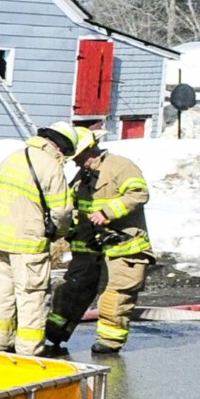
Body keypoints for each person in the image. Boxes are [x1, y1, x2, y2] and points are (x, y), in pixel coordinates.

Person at [46, 127, 151, 356]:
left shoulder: (121, 167)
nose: (76, 163)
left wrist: (107, 212)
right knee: (72, 289)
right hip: (89, 248)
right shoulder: (82, 176)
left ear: (90, 150)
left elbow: (138, 193)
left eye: (79, 158)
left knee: (114, 295)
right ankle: (53, 334)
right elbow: (75, 207)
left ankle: (109, 343)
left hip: (123, 247)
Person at [0, 126, 77, 354]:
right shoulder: (50, 166)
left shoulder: (12, 158)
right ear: (61, 147)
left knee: (0, 295)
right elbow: (62, 211)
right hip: (27, 244)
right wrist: (59, 232)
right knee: (31, 298)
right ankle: (29, 352)